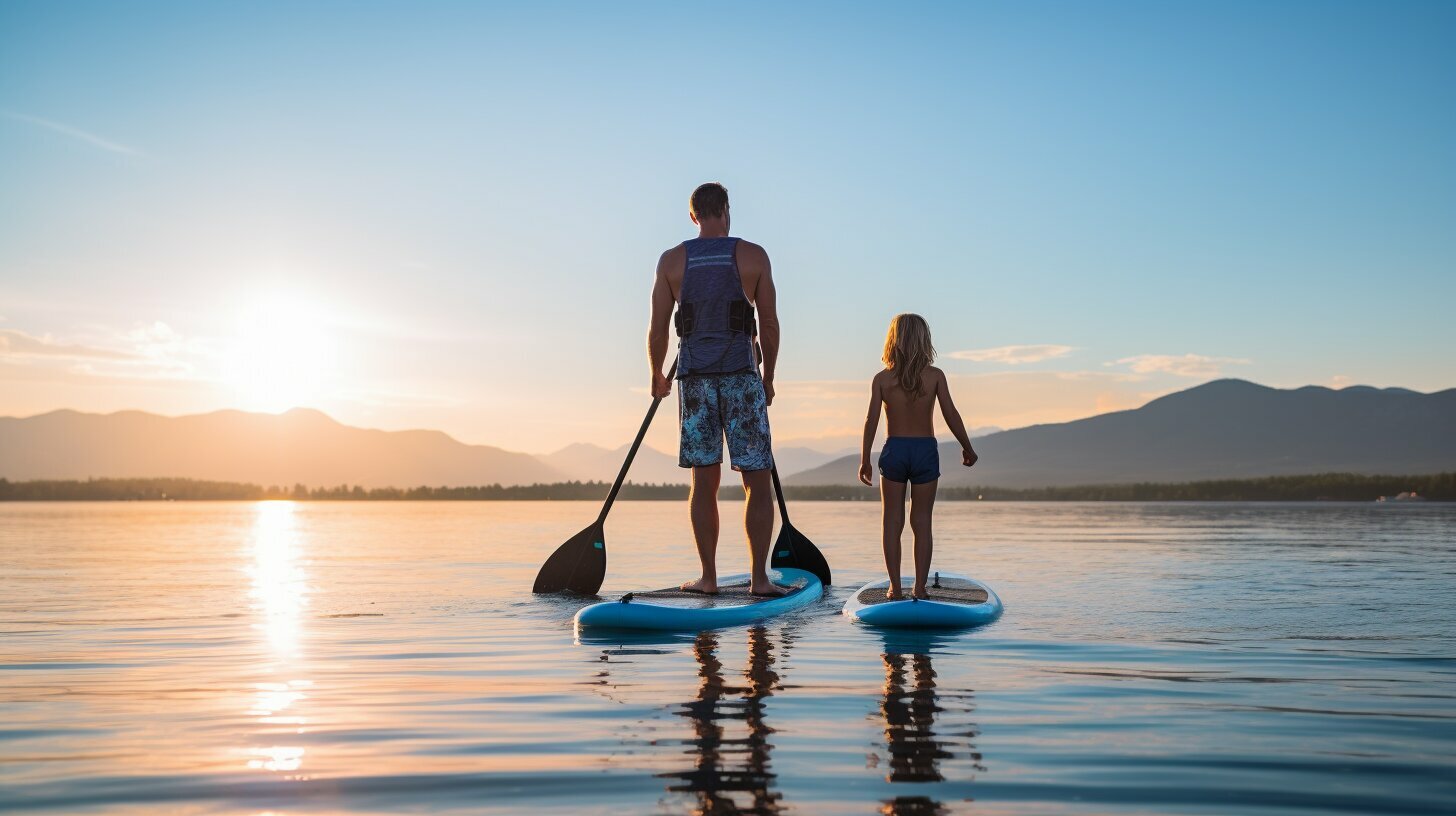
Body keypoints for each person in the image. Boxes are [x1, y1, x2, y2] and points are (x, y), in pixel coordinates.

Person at [647, 182, 786, 597]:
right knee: (756, 481)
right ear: (726, 210)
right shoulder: (753, 256)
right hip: (743, 377)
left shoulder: (671, 261)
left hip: (694, 382)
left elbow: (657, 328)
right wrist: (769, 377)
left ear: (693, 216)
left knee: (703, 482)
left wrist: (657, 374)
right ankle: (759, 579)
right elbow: (769, 324)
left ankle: (708, 578)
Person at [858, 314, 978, 600]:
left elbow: (871, 420)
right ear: (925, 340)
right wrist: (967, 447)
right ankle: (920, 588)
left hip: (895, 451)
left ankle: (895, 588)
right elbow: (951, 413)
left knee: (892, 522)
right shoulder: (935, 376)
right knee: (922, 521)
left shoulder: (882, 379)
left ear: (893, 340)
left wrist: (865, 459)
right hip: (925, 451)